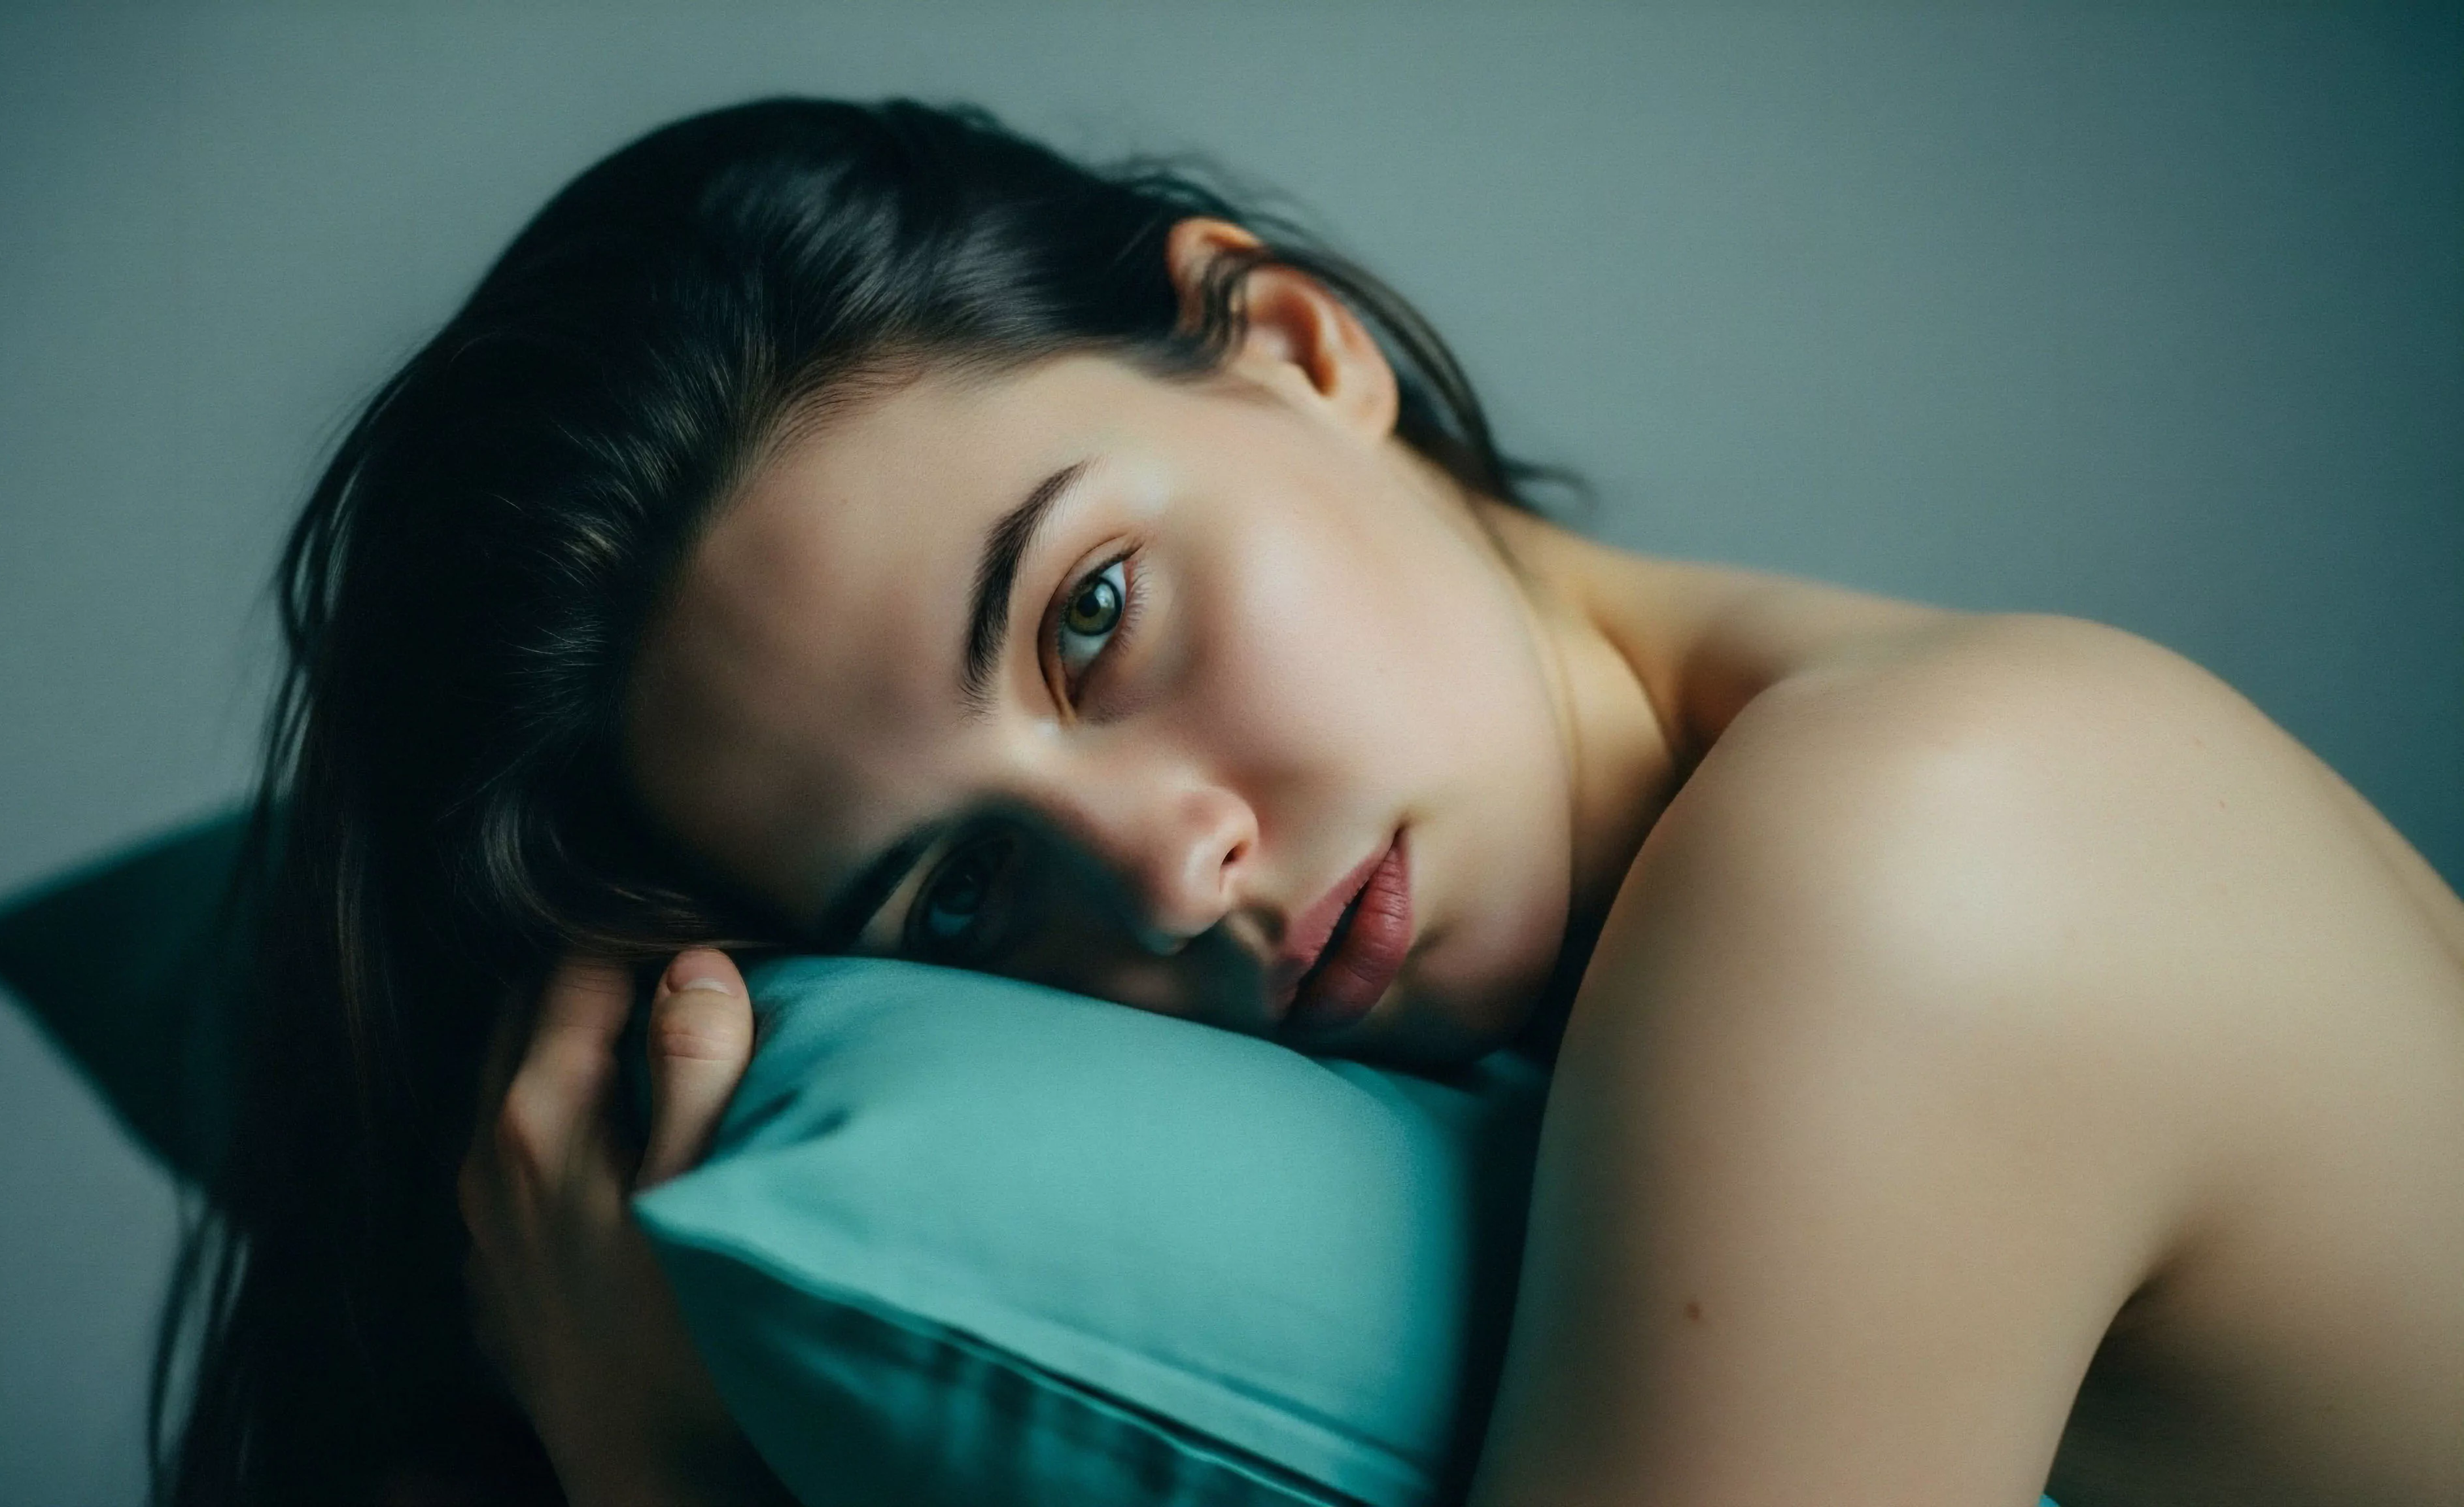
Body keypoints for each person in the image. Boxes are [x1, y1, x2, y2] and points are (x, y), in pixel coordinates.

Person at [155, 97, 2464, 1506]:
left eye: (1091, 618)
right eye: (965, 899)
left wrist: (652, 1475)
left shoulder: (1901, 849)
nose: (1168, 877)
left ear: (1293, 343)